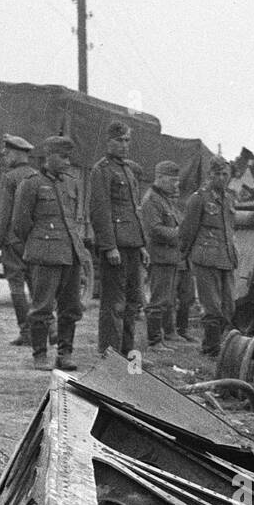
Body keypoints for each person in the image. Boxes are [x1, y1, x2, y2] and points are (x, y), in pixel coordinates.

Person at [10, 135, 85, 372]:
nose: (67, 161)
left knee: (71, 307)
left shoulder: (69, 184)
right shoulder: (31, 184)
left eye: (68, 157)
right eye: (62, 156)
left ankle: (65, 354)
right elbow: (20, 224)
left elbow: (73, 219)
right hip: (45, 255)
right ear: (48, 156)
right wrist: (40, 245)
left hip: (70, 254)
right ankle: (40, 355)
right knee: (42, 308)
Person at [89, 121, 148, 355]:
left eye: (127, 141)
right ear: (109, 142)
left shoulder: (127, 170)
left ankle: (126, 352)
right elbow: (100, 210)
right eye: (119, 141)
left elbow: (135, 210)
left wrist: (142, 244)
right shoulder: (101, 170)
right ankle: (109, 354)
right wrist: (109, 246)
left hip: (132, 245)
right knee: (114, 304)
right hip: (116, 248)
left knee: (132, 303)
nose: (124, 145)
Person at [179, 157, 238, 357]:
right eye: (218, 174)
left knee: (229, 307)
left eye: (225, 174)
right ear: (209, 175)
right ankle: (211, 350)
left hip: (226, 259)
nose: (222, 178)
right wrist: (184, 255)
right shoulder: (199, 198)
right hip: (206, 258)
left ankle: (214, 344)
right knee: (212, 307)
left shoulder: (229, 198)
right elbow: (188, 230)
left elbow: (230, 226)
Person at [0, 134, 37, 346]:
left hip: (12, 241)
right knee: (36, 286)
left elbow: (2, 213)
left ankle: (27, 332)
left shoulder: (9, 178)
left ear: (19, 153)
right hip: (35, 241)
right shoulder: (37, 176)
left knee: (16, 285)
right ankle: (49, 329)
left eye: (8, 153)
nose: (4, 157)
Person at [139, 161, 184, 349]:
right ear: (160, 178)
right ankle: (154, 341)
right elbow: (155, 229)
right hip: (159, 256)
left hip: (169, 256)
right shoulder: (152, 200)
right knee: (157, 301)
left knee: (166, 299)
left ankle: (163, 336)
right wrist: (179, 233)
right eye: (172, 180)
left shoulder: (164, 199)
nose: (176, 185)